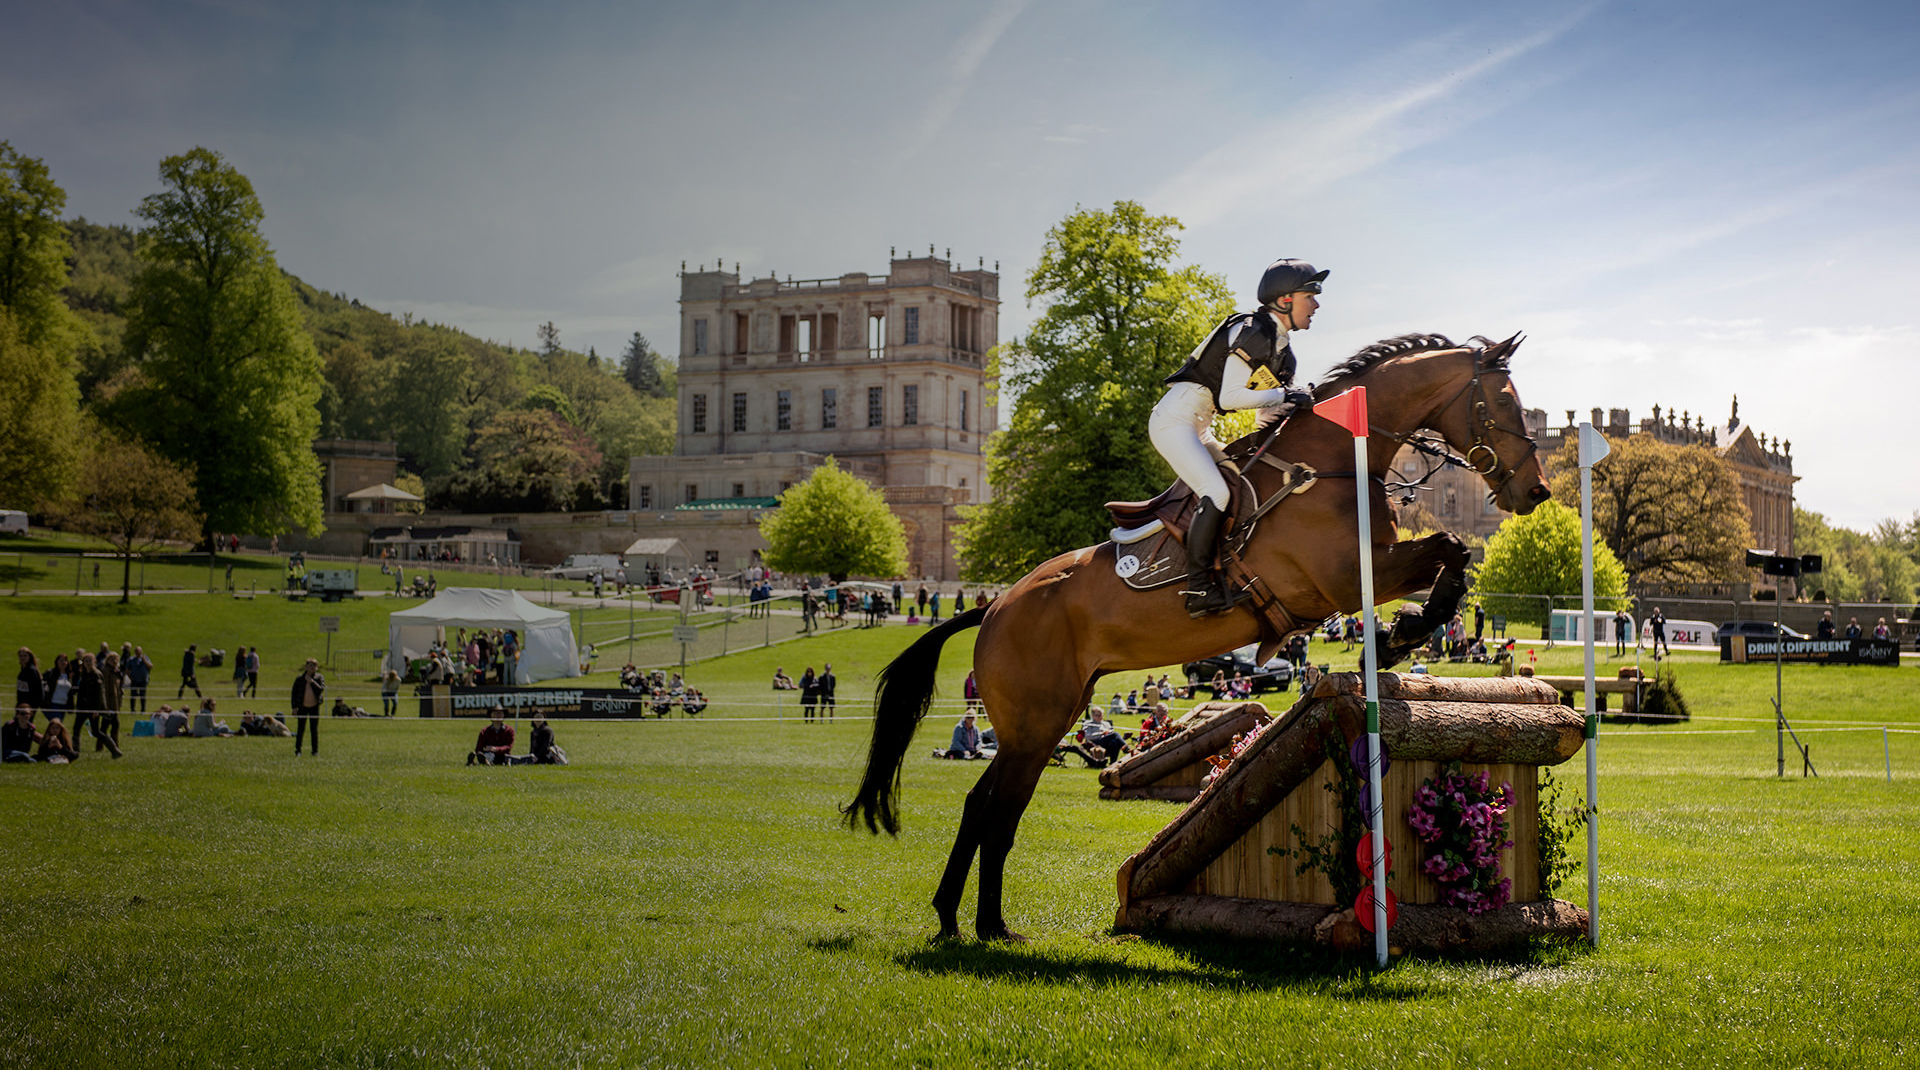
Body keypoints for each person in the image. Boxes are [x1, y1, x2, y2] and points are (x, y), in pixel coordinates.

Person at [1153, 258, 1325, 615]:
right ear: (1285, 300)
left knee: (1243, 482)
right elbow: (1231, 397)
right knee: (1216, 492)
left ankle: (1229, 564)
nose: (1317, 304)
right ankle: (1197, 589)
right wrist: (1286, 395)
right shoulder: (1252, 330)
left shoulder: (1283, 353)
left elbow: (1269, 413)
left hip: (1200, 425)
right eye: (1310, 295)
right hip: (1174, 420)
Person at [291, 658, 324, 756]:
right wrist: (294, 708)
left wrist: (311, 682)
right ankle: (298, 750)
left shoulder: (319, 678)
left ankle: (315, 751)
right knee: (300, 729)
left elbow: (320, 689)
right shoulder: (299, 679)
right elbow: (294, 694)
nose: (312, 667)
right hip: (302, 707)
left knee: (314, 730)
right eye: (310, 665)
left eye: (314, 666)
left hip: (314, 707)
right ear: (306, 667)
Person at [126, 646, 151, 713]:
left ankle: (143, 710)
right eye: (137, 651)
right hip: (134, 680)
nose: (138, 652)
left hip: (143, 680)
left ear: (141, 651)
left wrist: (144, 660)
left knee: (143, 696)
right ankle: (132, 710)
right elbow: (127, 669)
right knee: (133, 695)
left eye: (139, 651)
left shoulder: (146, 658)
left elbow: (150, 666)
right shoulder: (131, 659)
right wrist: (130, 678)